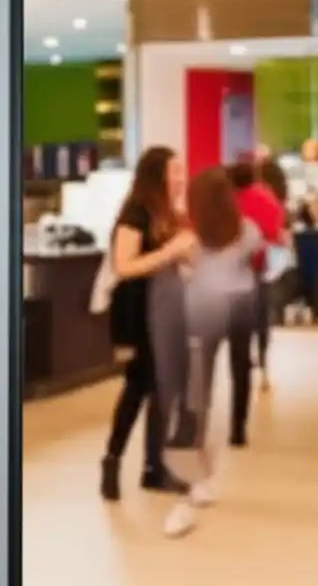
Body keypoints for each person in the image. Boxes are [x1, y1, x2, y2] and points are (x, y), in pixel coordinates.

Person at [159, 167, 263, 537]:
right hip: (243, 304)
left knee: (198, 392)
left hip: (203, 311)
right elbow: (255, 254)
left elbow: (185, 272)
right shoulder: (247, 229)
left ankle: (194, 477)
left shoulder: (189, 237)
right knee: (240, 369)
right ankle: (237, 427)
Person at [101, 146, 196, 501]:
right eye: (176, 172)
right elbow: (124, 265)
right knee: (138, 387)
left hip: (167, 312)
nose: (181, 179)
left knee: (163, 391)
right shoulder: (135, 213)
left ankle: (155, 467)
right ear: (157, 176)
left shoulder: (170, 215)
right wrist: (171, 251)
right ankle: (112, 460)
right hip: (137, 314)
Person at [229, 161, 288, 424]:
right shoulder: (267, 199)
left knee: (239, 325)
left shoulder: (225, 201)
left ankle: (242, 363)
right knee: (262, 318)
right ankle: (263, 365)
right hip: (258, 266)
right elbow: (276, 234)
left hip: (230, 271)